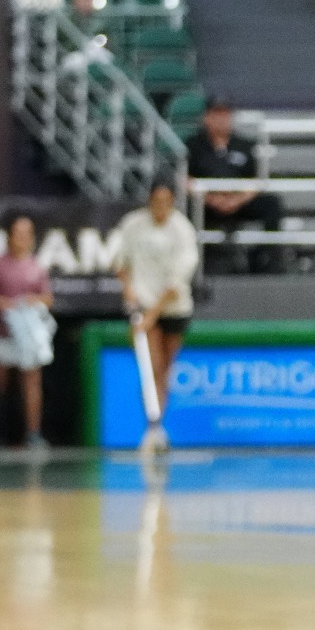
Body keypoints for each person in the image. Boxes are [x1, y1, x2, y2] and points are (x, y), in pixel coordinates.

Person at [111, 178, 200, 452]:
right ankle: (152, 427)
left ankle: (158, 424)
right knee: (150, 366)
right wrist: (129, 290)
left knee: (165, 370)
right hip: (143, 305)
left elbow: (177, 284)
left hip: (173, 307)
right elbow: (120, 263)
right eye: (155, 201)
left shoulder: (183, 230)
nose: (160, 207)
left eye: (166, 202)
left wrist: (152, 314)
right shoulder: (133, 224)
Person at [0, 214, 55, 449]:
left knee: (32, 382)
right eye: (18, 234)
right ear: (9, 237)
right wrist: (1, 303)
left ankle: (33, 434)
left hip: (28, 336)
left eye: (28, 234)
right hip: (0, 333)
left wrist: (32, 300)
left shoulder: (37, 267)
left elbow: (47, 299)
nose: (23, 239)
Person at [185, 96, 287, 274]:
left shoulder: (245, 145)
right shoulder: (193, 145)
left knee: (272, 204)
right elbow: (185, 178)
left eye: (225, 115)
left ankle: (265, 257)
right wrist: (210, 198)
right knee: (184, 205)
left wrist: (237, 200)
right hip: (204, 203)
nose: (221, 120)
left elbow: (257, 179)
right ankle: (191, 259)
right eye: (216, 114)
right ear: (206, 118)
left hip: (239, 201)